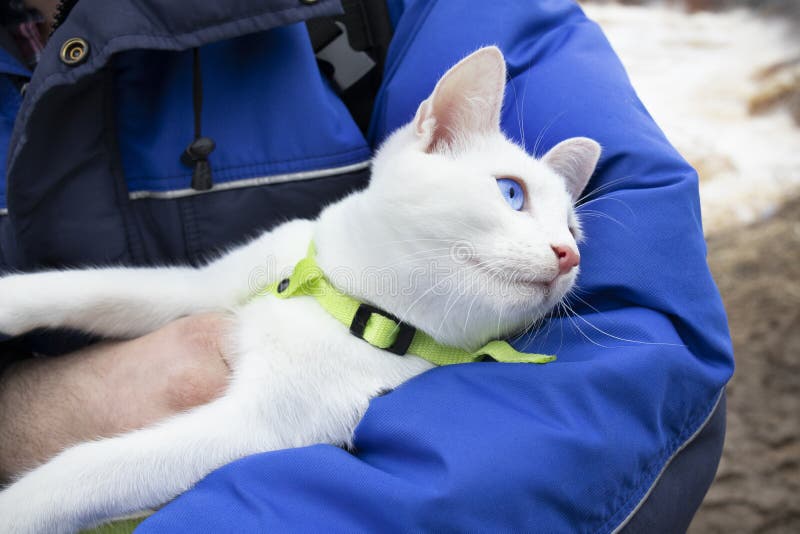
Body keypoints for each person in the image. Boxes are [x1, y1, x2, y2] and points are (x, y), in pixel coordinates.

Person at [0, 0, 733, 531]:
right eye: (514, 194)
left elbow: (648, 344)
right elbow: (183, 293)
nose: (565, 250)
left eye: (570, 227)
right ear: (434, 135)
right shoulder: (310, 246)